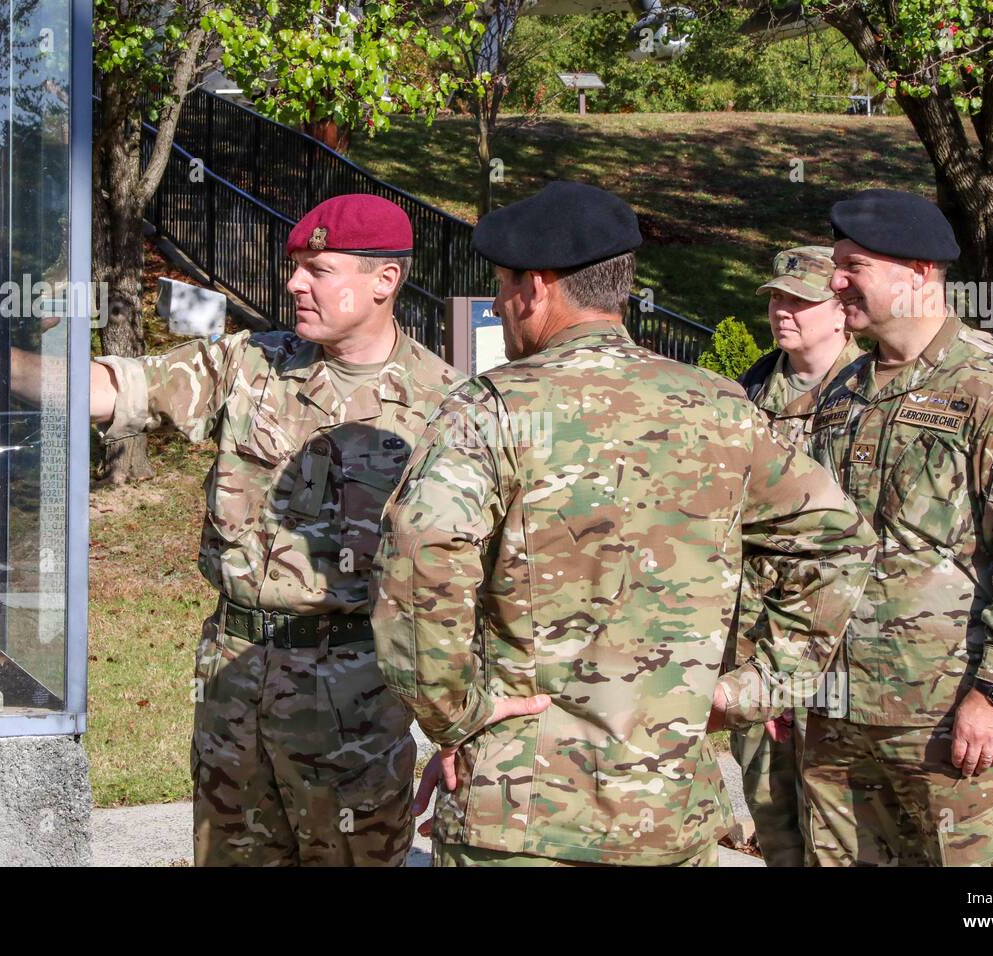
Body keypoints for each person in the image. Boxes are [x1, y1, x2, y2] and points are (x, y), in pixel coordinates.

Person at [0, 192, 459, 867]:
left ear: (384, 279)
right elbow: (109, 387)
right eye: (294, 266)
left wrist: (456, 729)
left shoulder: (443, 408)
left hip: (353, 699)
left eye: (318, 270)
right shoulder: (251, 365)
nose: (294, 283)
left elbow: (462, 582)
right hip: (234, 681)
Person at [371, 181, 877, 867]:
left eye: (502, 284)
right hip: (669, 811)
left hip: (520, 815)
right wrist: (755, 688)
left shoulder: (490, 410)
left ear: (537, 287)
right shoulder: (720, 409)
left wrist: (457, 716)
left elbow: (419, 559)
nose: (494, 304)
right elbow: (840, 541)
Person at [801, 188, 993, 866]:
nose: (835, 282)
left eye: (854, 266)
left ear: (920, 274)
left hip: (944, 714)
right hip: (836, 714)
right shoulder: (841, 397)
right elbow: (814, 550)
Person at [728, 245, 864, 867]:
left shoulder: (876, 395)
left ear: (839, 310)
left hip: (849, 644)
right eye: (776, 298)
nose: (782, 312)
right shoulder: (746, 395)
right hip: (757, 639)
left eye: (799, 301)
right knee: (775, 820)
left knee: (850, 833)